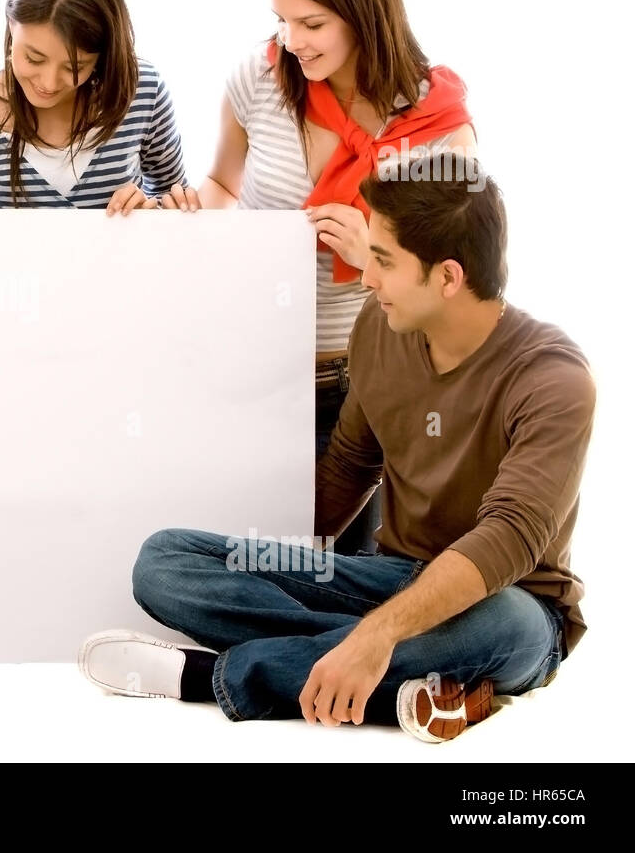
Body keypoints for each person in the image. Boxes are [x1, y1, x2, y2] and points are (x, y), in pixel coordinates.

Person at [80, 158, 594, 743]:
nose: (365, 276)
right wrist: (285, 566)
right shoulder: (380, 325)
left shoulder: (554, 378)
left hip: (505, 601)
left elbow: (510, 538)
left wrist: (378, 636)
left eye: (383, 259)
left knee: (505, 628)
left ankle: (219, 677)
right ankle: (403, 674)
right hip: (387, 580)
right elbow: (352, 464)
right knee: (166, 560)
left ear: (447, 277)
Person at [180, 0, 478, 556]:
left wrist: (373, 250)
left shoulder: (438, 124)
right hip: (250, 362)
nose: (292, 43)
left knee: (341, 575)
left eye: (311, 24)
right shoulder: (258, 80)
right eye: (281, 21)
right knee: (240, 558)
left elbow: (462, 278)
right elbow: (221, 186)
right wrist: (172, 212)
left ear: (363, 15)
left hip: (367, 380)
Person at [0, 0, 187, 212]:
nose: (48, 83)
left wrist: (153, 213)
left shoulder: (142, 91)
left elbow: (173, 194)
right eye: (34, 58)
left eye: (74, 67)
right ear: (11, 25)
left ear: (102, 57)